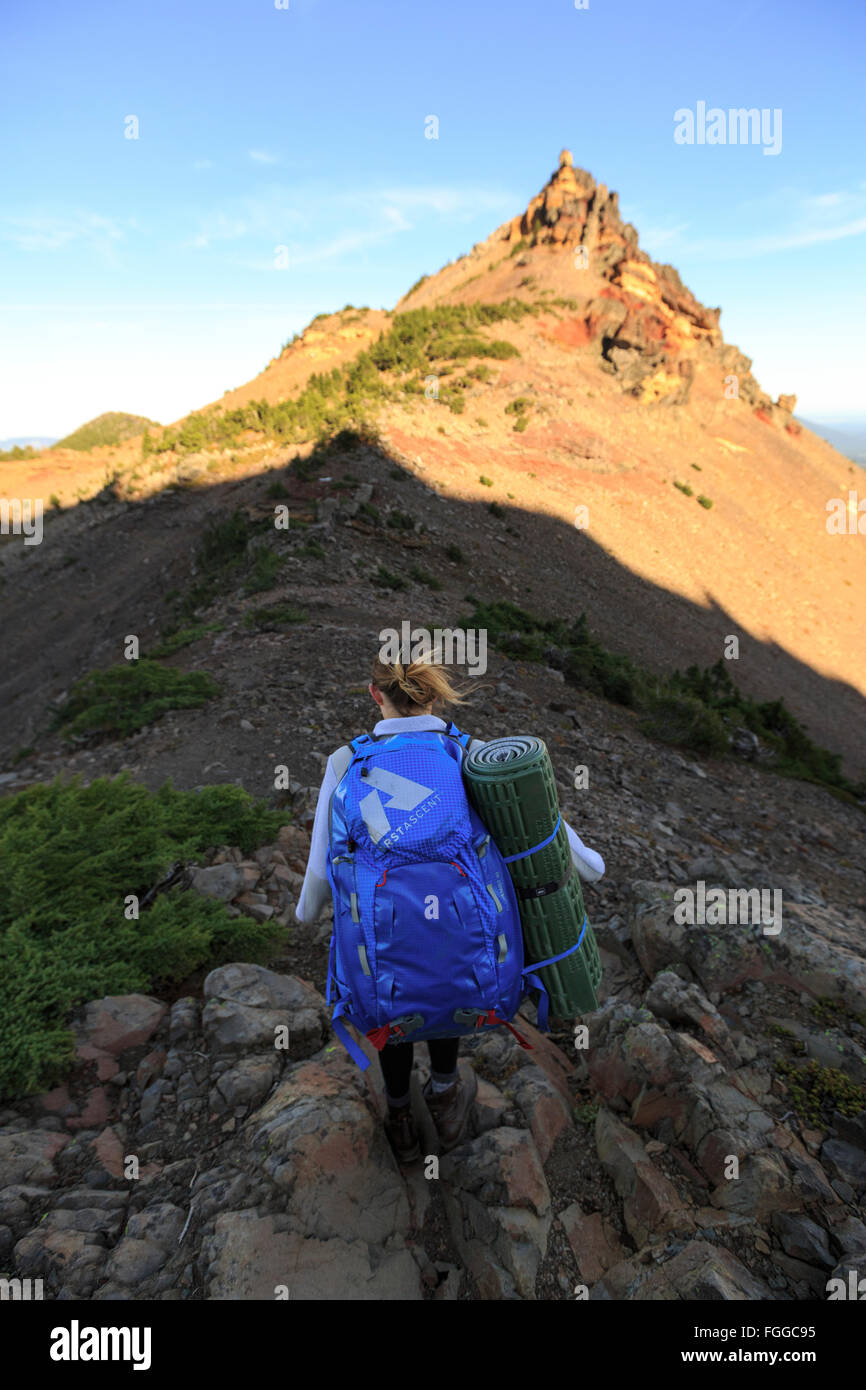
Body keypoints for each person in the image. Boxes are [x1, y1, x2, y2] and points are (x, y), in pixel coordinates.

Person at [295, 652, 605, 1164]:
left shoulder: (345, 763)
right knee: (450, 975)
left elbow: (320, 868)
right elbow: (550, 835)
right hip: (465, 943)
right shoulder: (472, 756)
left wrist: (307, 914)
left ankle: (399, 1112)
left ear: (374, 694)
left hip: (385, 944)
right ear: (435, 694)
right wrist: (591, 866)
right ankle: (444, 1094)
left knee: (388, 990)